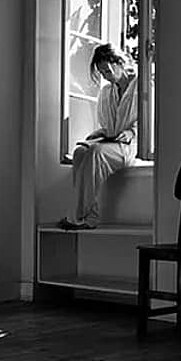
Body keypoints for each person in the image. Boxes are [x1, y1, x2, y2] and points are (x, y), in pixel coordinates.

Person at [59, 43, 139, 230]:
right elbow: (107, 126)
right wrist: (100, 133)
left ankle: (82, 217)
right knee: (80, 151)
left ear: (119, 62)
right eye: (102, 73)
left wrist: (132, 132)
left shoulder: (142, 87)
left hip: (131, 145)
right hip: (112, 142)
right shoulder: (106, 92)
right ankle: (87, 214)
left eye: (107, 71)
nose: (106, 76)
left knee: (96, 153)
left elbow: (151, 120)